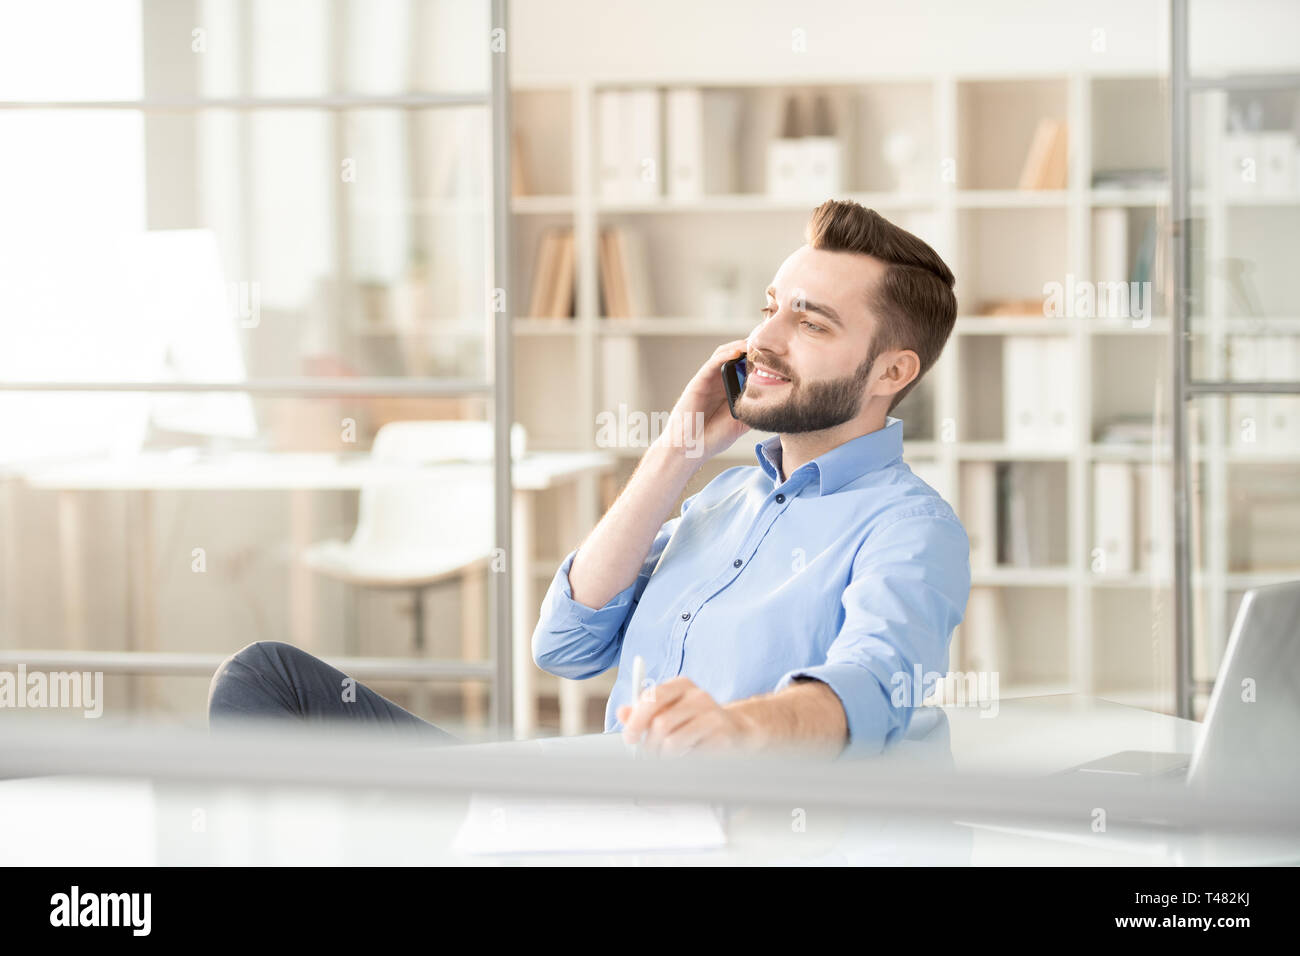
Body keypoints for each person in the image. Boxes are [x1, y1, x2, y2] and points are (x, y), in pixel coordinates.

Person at [208, 198, 970, 760]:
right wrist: (677, 452)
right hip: (581, 798)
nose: (762, 339)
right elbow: (565, 643)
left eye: (811, 323)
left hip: (668, 827)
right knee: (266, 680)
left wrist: (741, 728)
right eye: (770, 309)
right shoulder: (723, 499)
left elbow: (877, 682)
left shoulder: (909, 528)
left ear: (892, 371)